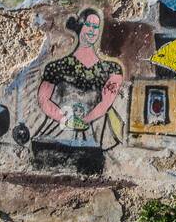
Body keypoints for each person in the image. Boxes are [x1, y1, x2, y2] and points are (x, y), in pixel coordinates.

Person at [36, 8, 123, 141]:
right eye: (88, 25)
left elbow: (106, 103)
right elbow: (43, 100)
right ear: (79, 27)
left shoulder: (111, 69)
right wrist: (65, 119)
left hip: (93, 137)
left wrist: (84, 120)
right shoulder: (57, 66)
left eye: (96, 27)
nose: (92, 30)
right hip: (56, 134)